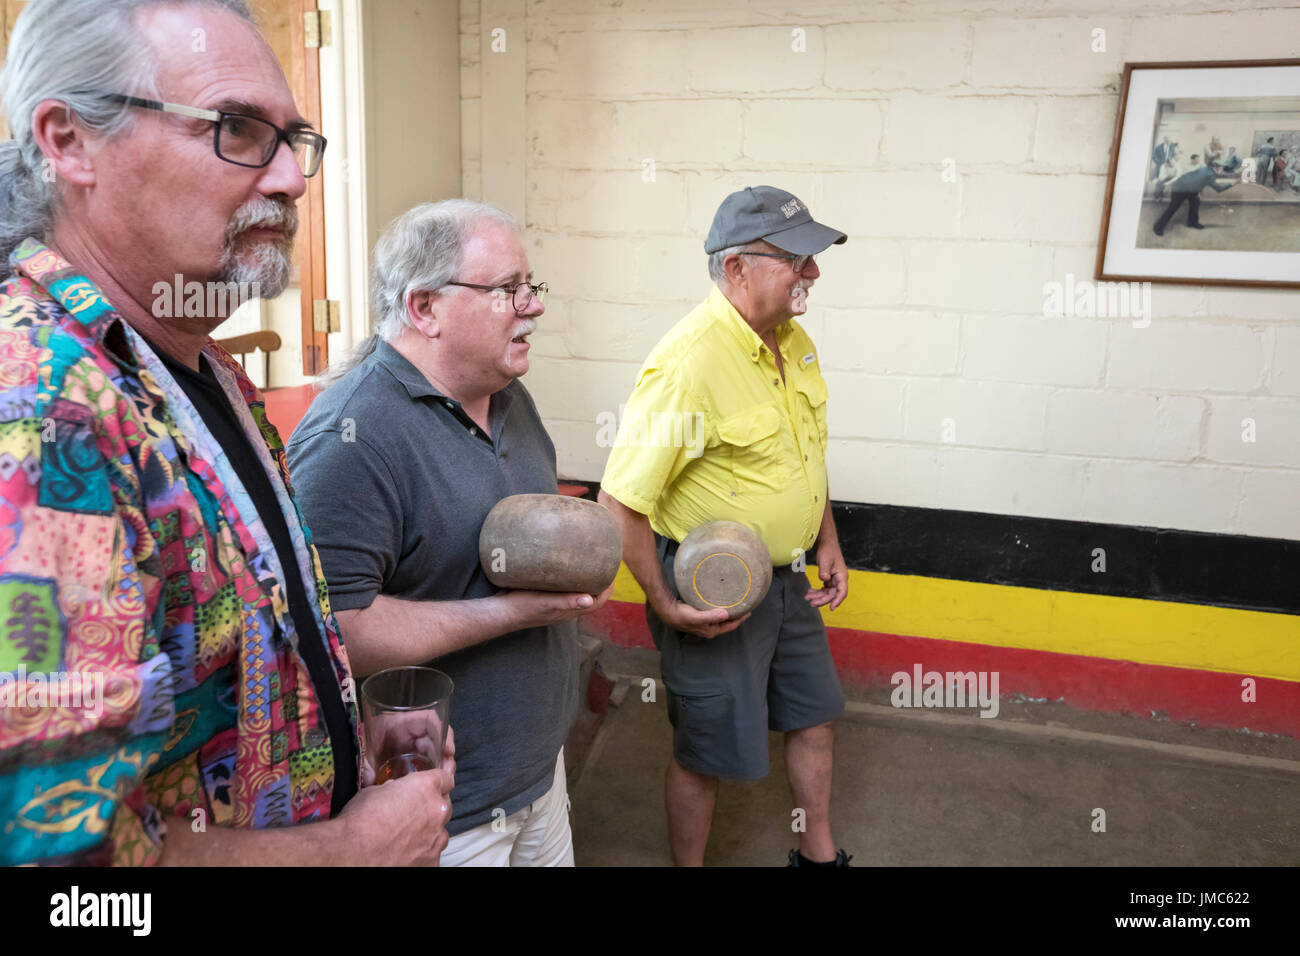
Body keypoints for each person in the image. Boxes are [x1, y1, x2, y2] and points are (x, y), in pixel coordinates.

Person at [0, 0, 453, 866]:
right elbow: (67, 871)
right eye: (237, 129)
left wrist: (346, 739)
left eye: (295, 138)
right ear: (67, 141)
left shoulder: (200, 369)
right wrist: (345, 850)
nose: (292, 178)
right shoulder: (41, 407)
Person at [286, 200, 611, 867]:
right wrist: (510, 613)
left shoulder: (511, 399)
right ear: (424, 307)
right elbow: (336, 633)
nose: (534, 306)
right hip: (441, 813)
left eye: (532, 287)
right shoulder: (351, 439)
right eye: (507, 290)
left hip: (539, 775)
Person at [598, 186, 852, 867]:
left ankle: (819, 856)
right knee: (704, 751)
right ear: (737, 268)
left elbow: (806, 451)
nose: (814, 273)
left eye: (814, 257)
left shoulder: (793, 344)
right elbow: (620, 502)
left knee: (814, 714)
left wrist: (826, 539)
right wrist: (664, 604)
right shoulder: (688, 364)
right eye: (798, 258)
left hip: (791, 577)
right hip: (715, 585)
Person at [1152, 154, 1234, 236]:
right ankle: (1158, 227)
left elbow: (1197, 180)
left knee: (1195, 202)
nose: (1222, 170)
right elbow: (1219, 189)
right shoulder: (1210, 175)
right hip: (1180, 188)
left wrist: (1197, 192)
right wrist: (1233, 184)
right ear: (1216, 167)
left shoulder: (1204, 168)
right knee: (1173, 208)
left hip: (1187, 188)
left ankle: (1192, 222)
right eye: (1222, 168)